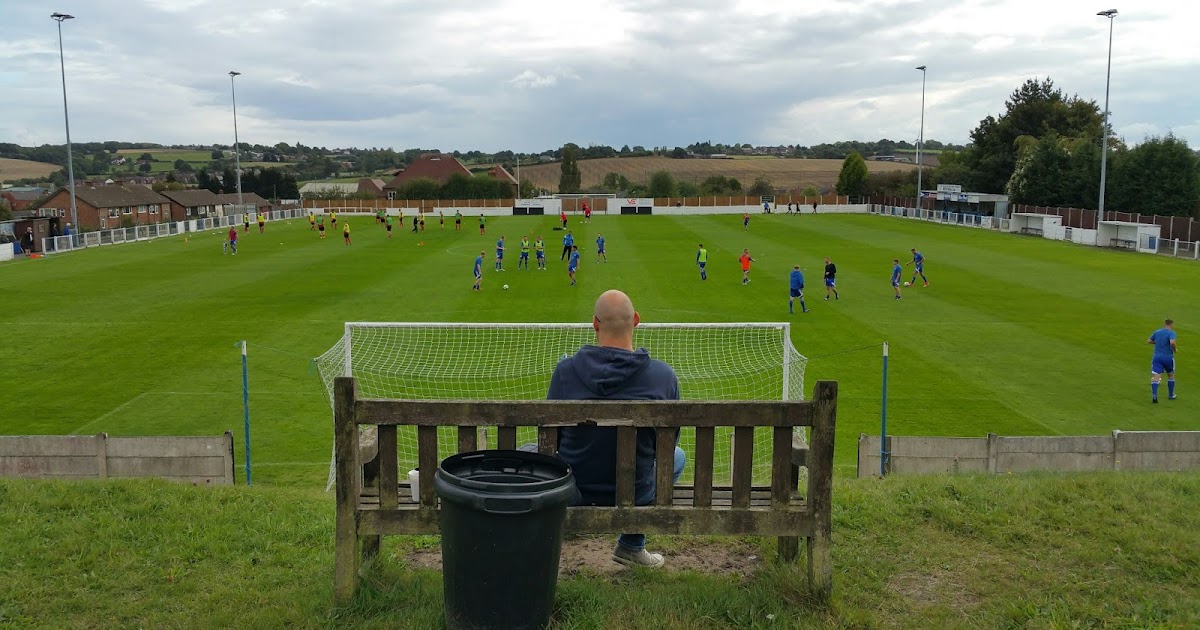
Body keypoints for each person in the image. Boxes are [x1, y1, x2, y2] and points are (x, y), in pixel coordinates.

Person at [547, 289, 686, 568]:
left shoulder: (565, 373)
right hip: (635, 491)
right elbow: (666, 447)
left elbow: (552, 442)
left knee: (533, 453)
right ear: (635, 320)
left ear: (595, 324)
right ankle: (632, 546)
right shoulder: (663, 377)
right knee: (678, 456)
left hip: (574, 489)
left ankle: (543, 543)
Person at [1148, 319, 1178, 403]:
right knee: (1171, 375)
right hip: (1168, 357)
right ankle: (1171, 395)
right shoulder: (1171, 333)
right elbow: (1172, 342)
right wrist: (1175, 350)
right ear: (1171, 325)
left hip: (1157, 357)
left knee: (1156, 376)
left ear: (1164, 324)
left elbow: (1149, 341)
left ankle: (1154, 396)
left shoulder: (1157, 332)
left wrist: (1157, 343)